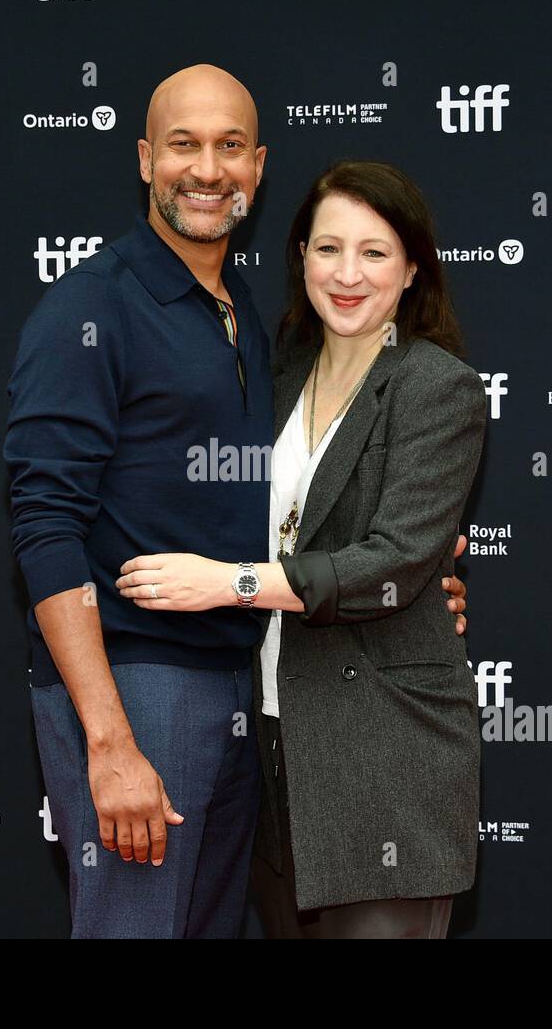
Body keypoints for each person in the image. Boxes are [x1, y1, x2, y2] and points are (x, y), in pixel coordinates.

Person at [4, 64, 470, 939]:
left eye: (229, 148)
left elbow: (330, 514)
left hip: (242, 695)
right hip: (137, 689)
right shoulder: (89, 310)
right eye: (184, 145)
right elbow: (45, 523)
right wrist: (109, 741)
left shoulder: (250, 324)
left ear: (258, 166)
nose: (207, 170)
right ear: (146, 160)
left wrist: (414, 582)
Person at [116, 159, 486, 938]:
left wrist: (231, 584)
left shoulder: (435, 387)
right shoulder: (271, 378)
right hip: (273, 747)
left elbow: (393, 560)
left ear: (413, 267)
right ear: (301, 259)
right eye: (328, 249)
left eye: (375, 252)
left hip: (384, 754)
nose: (348, 274)